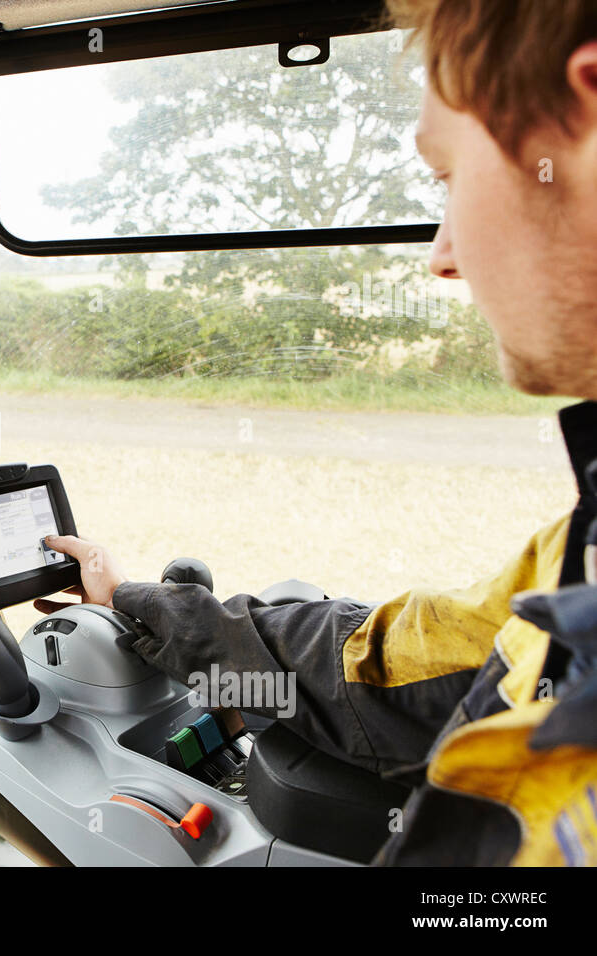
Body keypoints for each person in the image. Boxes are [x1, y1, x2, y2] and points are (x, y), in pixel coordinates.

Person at [40, 0, 597, 865]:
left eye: (449, 179)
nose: (442, 254)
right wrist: (156, 613)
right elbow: (390, 673)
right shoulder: (578, 552)